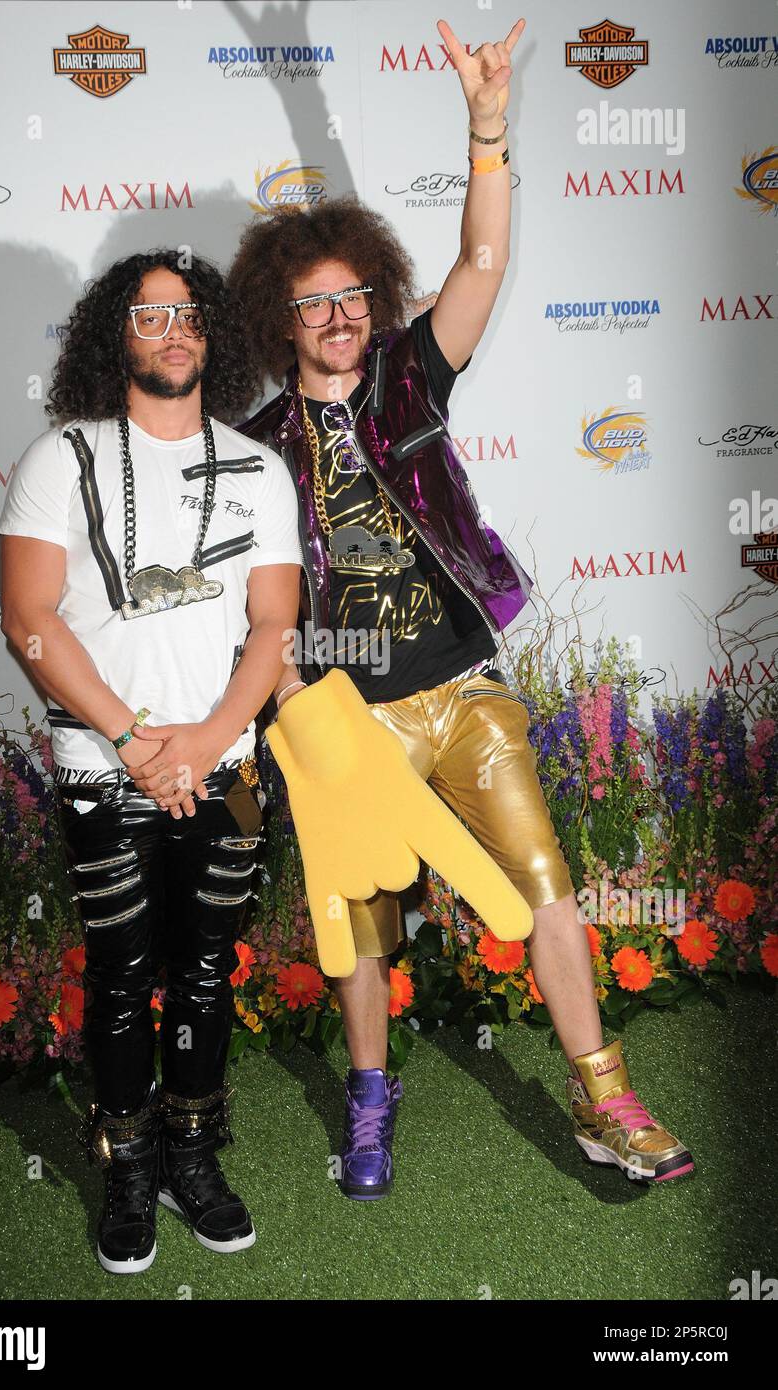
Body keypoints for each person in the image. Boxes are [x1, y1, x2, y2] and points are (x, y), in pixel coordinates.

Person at [230, 19, 693, 1199]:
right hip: (353, 713)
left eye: (351, 294)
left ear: (372, 295)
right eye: (311, 301)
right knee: (358, 934)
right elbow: (264, 602)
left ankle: (607, 1100)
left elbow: (479, 265)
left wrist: (486, 125)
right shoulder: (252, 450)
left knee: (545, 888)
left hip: (463, 686)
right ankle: (371, 1103)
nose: (337, 314)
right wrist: (300, 719)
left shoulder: (405, 374)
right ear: (277, 321)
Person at [0, 249, 302, 1271]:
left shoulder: (260, 467)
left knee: (209, 972)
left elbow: (272, 624)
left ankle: (194, 1157)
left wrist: (209, 740)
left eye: (189, 317)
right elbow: (27, 617)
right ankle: (129, 1168)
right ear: (112, 334)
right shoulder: (60, 457)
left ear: (213, 333)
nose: (173, 333)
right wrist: (130, 739)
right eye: (148, 316)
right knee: (124, 976)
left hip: (231, 768)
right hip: (102, 765)